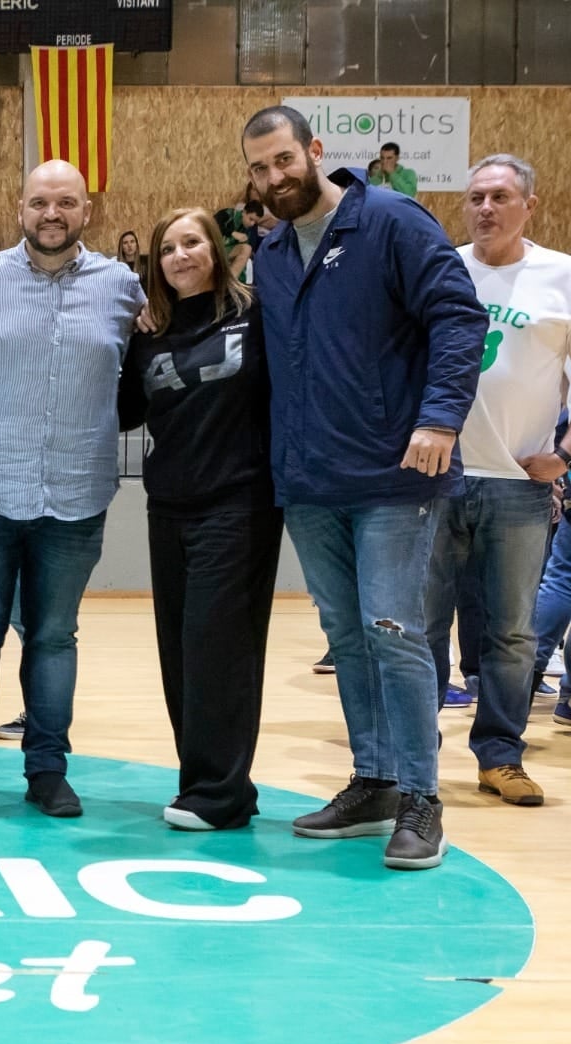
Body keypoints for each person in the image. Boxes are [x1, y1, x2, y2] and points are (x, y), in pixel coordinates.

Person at [241, 106, 485, 871]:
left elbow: (459, 317)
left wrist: (440, 418)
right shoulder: (271, 253)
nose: (274, 176)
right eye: (259, 168)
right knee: (346, 635)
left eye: (284, 159)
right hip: (310, 480)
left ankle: (421, 796)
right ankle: (375, 779)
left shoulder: (391, 220)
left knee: (393, 629)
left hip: (394, 474)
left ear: (315, 150)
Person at [0, 160, 143, 825]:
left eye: (66, 202)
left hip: (77, 492)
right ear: (20, 208)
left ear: (86, 211)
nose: (53, 214)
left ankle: (48, 771)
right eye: (40, 202)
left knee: (54, 637)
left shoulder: (123, 288)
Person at [118, 206, 279, 832]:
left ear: (215, 249)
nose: (179, 256)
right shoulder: (149, 331)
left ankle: (220, 795)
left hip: (239, 503)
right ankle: (209, 781)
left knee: (221, 647)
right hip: (169, 505)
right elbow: (124, 412)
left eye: (191, 243)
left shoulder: (256, 315)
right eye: (167, 248)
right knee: (181, 650)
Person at [426, 154, 571, 808]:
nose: (485, 208)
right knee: (421, 626)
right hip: (437, 479)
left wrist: (562, 455)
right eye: (476, 197)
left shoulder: (560, 276)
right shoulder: (442, 268)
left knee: (512, 633)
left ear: (529, 206)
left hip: (518, 484)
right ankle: (412, 753)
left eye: (500, 197)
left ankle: (500, 756)